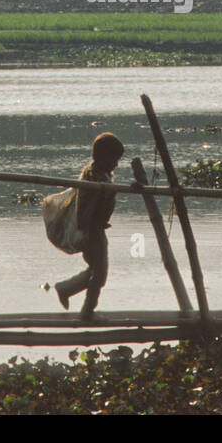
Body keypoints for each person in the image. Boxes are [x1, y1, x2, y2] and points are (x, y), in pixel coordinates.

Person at [53, 132, 125, 321]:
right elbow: (91, 204)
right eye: (113, 159)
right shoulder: (93, 176)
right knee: (99, 275)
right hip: (91, 230)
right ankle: (87, 312)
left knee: (96, 271)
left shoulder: (101, 174)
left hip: (96, 229)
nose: (115, 164)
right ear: (101, 157)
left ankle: (65, 288)